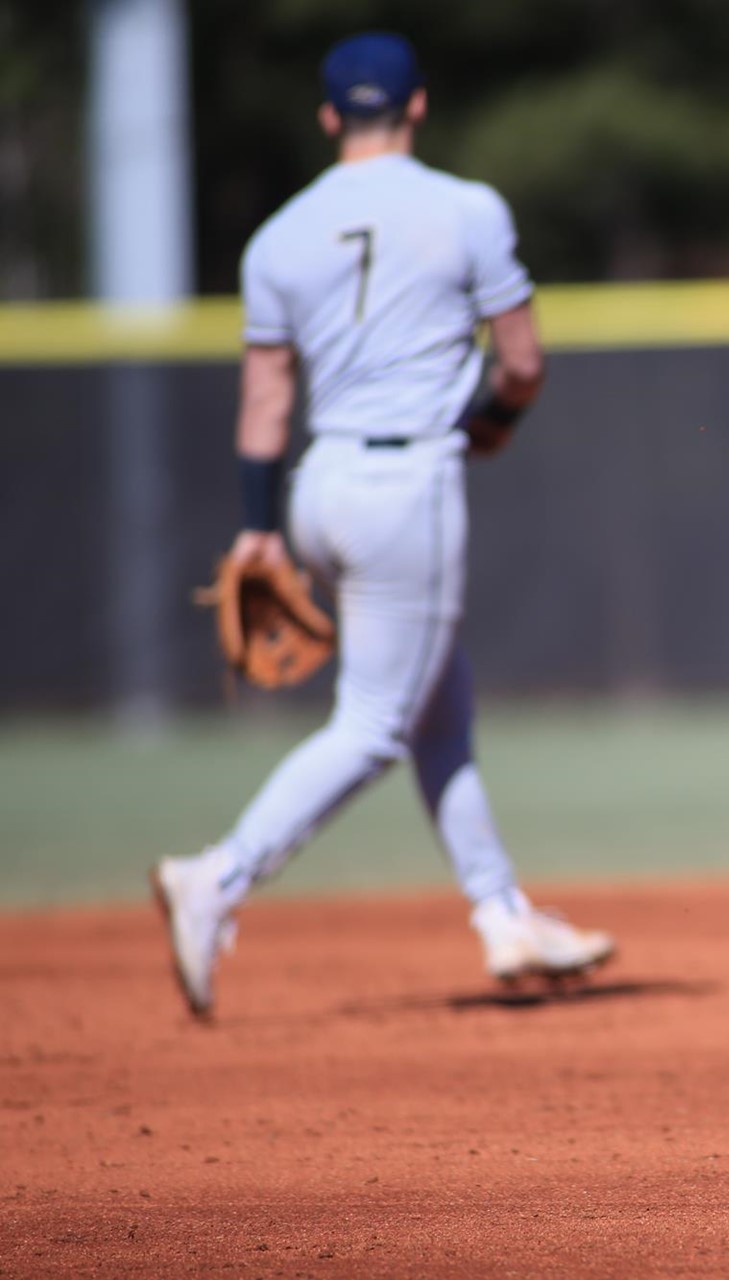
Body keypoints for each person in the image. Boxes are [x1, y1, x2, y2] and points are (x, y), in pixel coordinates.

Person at [151, 32, 614, 1017]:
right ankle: (217, 876)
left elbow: (266, 401)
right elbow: (522, 361)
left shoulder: (275, 235)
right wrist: (491, 422)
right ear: (417, 108)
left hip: (318, 489)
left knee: (435, 707)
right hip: (408, 486)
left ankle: (502, 914)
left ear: (327, 118)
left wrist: (258, 528)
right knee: (371, 724)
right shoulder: (464, 208)